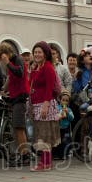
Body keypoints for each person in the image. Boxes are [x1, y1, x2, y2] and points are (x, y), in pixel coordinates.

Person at [0, 42, 31, 165]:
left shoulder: (18, 59)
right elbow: (10, 79)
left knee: (19, 127)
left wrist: (8, 63)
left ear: (5, 54)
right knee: (17, 128)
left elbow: (19, 73)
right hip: (15, 96)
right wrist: (2, 90)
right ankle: (22, 153)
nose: (0, 60)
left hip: (20, 97)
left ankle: (25, 155)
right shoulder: (12, 62)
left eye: (1, 57)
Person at [29, 41, 60, 172]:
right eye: (35, 52)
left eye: (39, 52)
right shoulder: (38, 67)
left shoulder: (48, 67)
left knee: (45, 134)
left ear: (45, 54)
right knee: (41, 133)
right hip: (37, 104)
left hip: (45, 104)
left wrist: (46, 105)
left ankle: (45, 163)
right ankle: (45, 162)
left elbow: (49, 87)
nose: (37, 54)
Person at [53, 90, 74, 160]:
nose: (64, 102)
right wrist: (60, 114)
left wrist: (67, 113)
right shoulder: (57, 108)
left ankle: (64, 154)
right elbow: (55, 116)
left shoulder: (69, 109)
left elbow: (72, 118)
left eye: (66, 101)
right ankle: (56, 154)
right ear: (60, 100)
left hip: (66, 128)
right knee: (57, 142)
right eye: (63, 100)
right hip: (58, 128)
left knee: (65, 142)